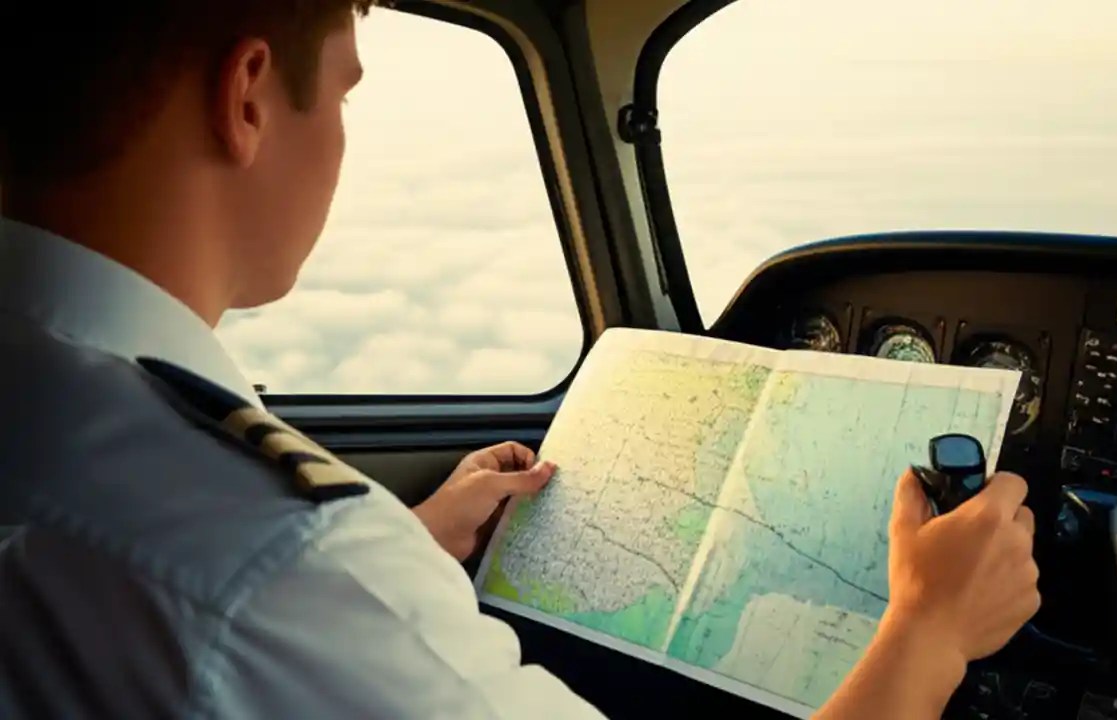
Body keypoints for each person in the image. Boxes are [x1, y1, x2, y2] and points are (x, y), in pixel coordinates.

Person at [0, 2, 1040, 718]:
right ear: (248, 97)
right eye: (346, 96)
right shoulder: (282, 561)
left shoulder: (74, 429)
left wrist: (406, 547)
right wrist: (929, 630)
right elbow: (244, 596)